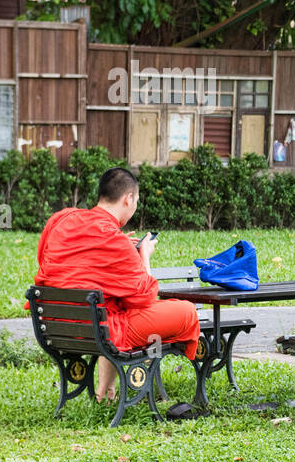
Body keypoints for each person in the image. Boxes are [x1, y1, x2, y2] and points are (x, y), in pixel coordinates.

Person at [34, 167, 199, 400]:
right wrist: (143, 255)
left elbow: (52, 262)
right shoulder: (114, 240)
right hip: (99, 331)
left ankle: (105, 391)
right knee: (186, 311)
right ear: (128, 198)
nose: (134, 208)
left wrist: (122, 250)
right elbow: (146, 296)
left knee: (110, 306)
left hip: (57, 325)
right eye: (136, 201)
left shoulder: (60, 220)